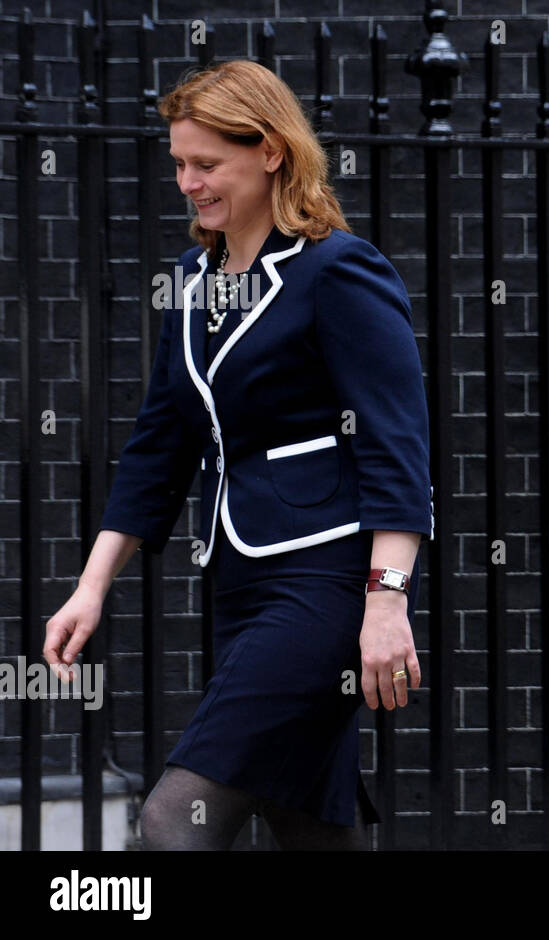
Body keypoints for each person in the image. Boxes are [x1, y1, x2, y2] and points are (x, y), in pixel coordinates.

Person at [42, 60, 433, 850]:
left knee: (172, 819)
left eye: (208, 164)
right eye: (180, 163)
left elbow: (399, 442)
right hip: (237, 580)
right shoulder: (192, 280)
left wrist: (386, 601)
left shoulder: (337, 270)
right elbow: (161, 442)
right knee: (306, 820)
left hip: (326, 584)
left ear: (271, 152)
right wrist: (90, 588)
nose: (188, 181)